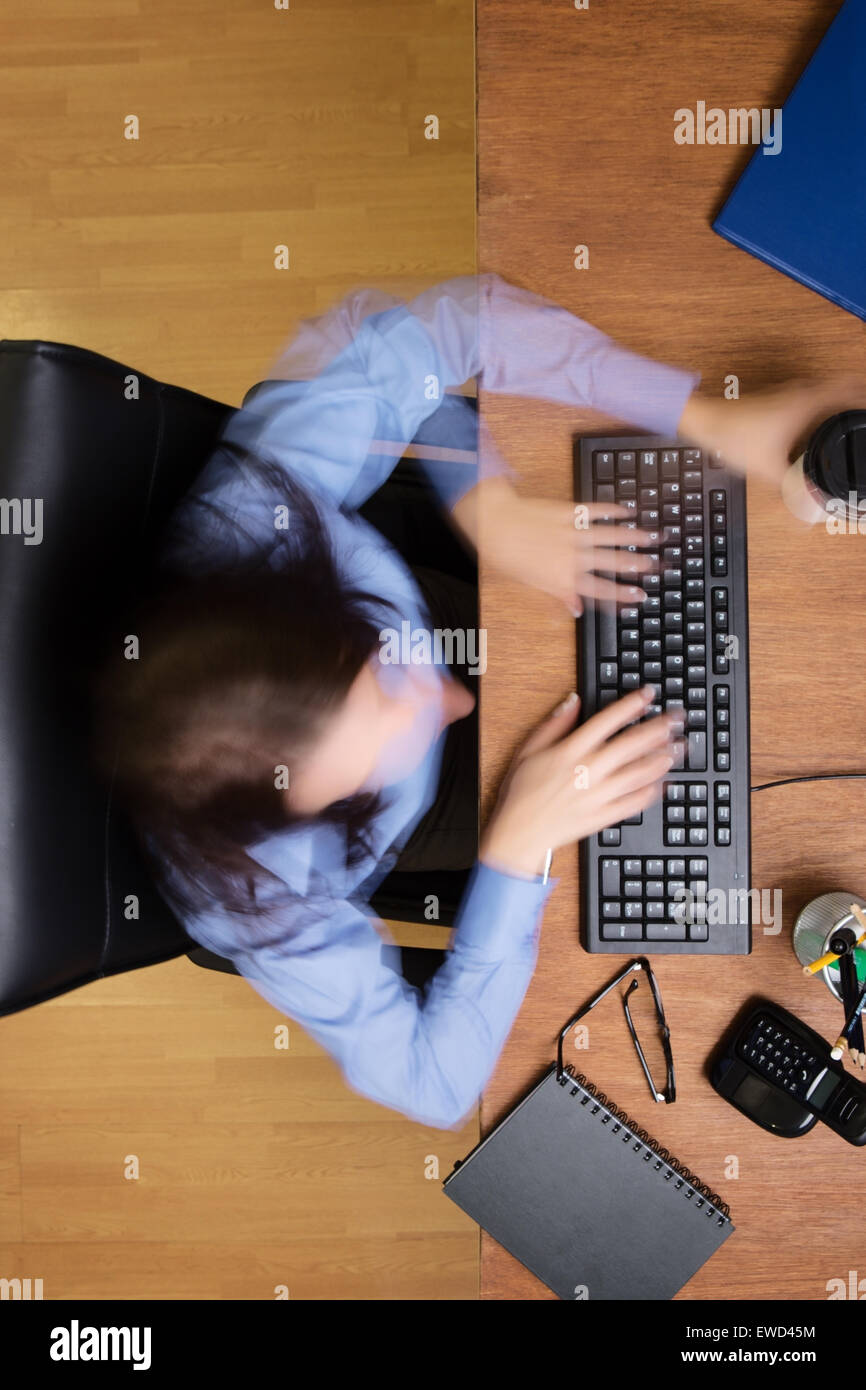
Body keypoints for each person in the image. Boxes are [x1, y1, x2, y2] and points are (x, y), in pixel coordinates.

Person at [90, 271, 863, 1129]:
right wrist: (514, 853)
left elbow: (435, 334)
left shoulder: (256, 515)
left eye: (382, 665)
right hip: (474, 813)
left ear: (302, 591)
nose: (454, 704)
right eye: (375, 746)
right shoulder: (251, 898)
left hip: (476, 602)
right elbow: (435, 1085)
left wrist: (492, 499)